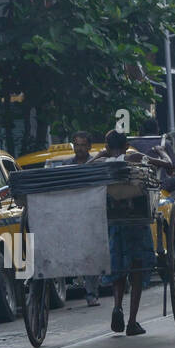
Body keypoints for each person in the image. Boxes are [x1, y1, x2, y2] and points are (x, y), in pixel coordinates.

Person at [92, 129, 173, 335]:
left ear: (107, 146)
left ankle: (117, 306)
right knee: (137, 270)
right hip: (136, 222)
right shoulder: (134, 157)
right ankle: (132, 321)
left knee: (118, 269)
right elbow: (167, 165)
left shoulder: (101, 164)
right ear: (127, 145)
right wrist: (161, 151)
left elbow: (83, 170)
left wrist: (100, 155)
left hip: (114, 224)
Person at [48, 131, 102, 306]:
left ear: (88, 147)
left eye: (82, 145)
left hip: (91, 214)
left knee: (90, 255)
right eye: (76, 144)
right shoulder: (66, 165)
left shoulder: (95, 164)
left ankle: (91, 293)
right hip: (71, 215)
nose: (79, 148)